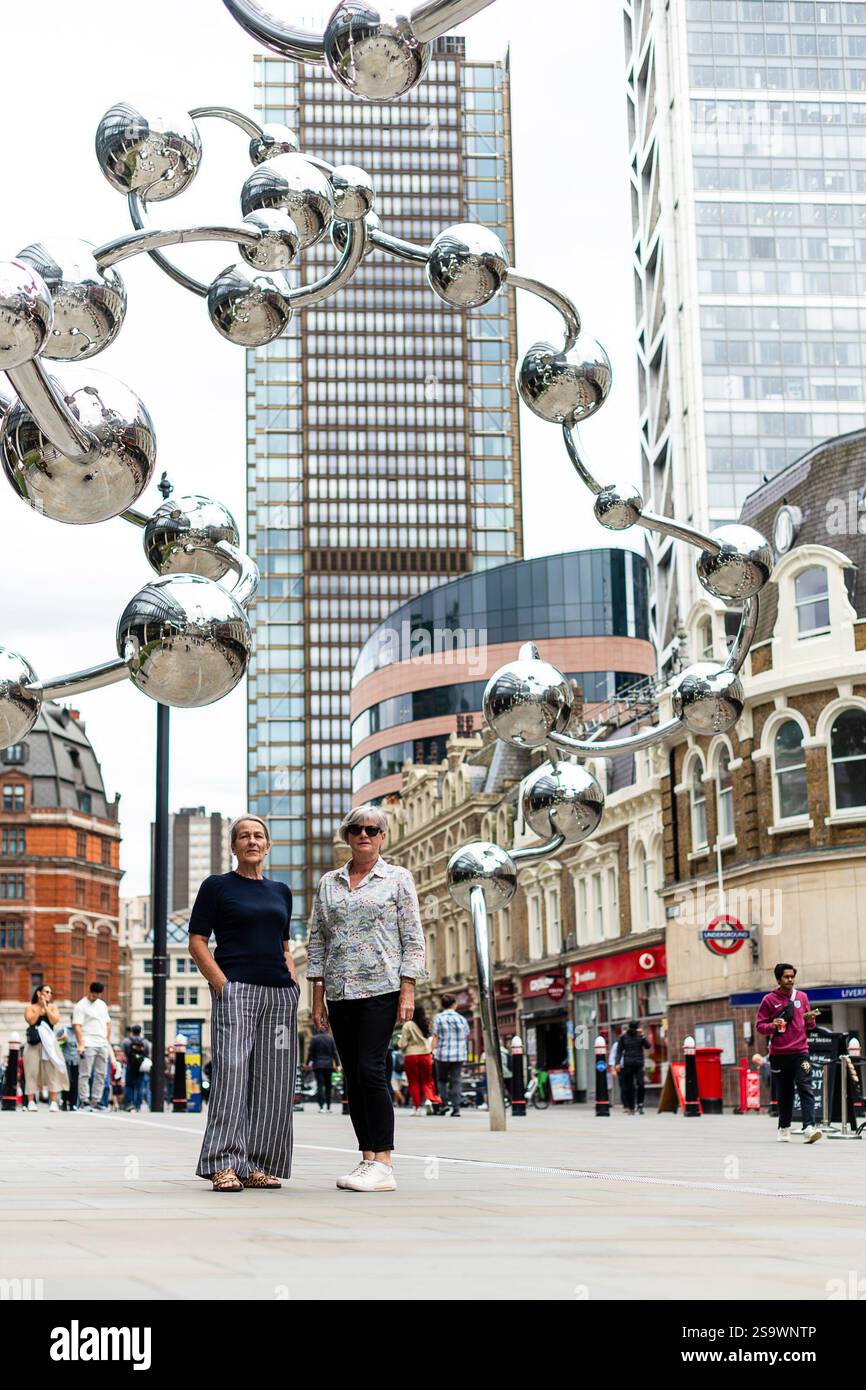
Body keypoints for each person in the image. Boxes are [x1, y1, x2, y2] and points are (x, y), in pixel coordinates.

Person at [308, 804, 426, 1193]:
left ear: (382, 837)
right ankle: (367, 1158)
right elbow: (318, 939)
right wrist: (317, 994)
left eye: (373, 830)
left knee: (371, 1070)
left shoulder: (397, 878)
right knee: (352, 1075)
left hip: (382, 986)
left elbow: (413, 935)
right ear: (347, 836)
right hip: (340, 991)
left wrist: (408, 987)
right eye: (357, 829)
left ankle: (385, 1161)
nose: (365, 835)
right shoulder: (330, 883)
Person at [189, 814, 299, 1192]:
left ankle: (257, 1164)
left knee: (274, 1081)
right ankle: (222, 1163)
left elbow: (285, 946)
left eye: (259, 836)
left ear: (268, 845)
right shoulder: (217, 886)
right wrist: (221, 985)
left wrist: (294, 983)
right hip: (237, 990)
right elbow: (197, 941)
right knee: (232, 1074)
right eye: (244, 836)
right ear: (234, 846)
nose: (252, 841)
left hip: (280, 998)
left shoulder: (281, 891)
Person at [756, 962, 822, 1143]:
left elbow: (809, 1026)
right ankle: (784, 1127)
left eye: (792, 976)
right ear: (778, 979)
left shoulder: (802, 997)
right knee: (784, 1092)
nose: (790, 979)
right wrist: (773, 1025)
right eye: (786, 977)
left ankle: (809, 1127)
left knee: (805, 1086)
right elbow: (760, 1027)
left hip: (801, 1051)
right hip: (779, 1053)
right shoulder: (769, 1000)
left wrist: (810, 1019)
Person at [23, 986, 67, 1112]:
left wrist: (46, 1008)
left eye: (50, 992)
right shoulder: (30, 1008)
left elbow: (54, 1020)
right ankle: (31, 1101)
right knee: (31, 1071)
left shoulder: (53, 1007)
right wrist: (39, 1008)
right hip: (34, 1043)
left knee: (52, 1070)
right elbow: (31, 1021)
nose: (49, 994)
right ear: (39, 993)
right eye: (46, 992)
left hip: (49, 1044)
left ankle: (53, 1102)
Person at [73, 981, 114, 1111]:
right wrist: (81, 1044)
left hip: (102, 1043)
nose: (95, 997)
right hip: (88, 1043)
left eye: (98, 995)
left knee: (101, 1074)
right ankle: (84, 1101)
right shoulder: (81, 1006)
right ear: (89, 991)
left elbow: (107, 1024)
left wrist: (106, 1040)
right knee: (85, 1074)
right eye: (93, 995)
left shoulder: (102, 1005)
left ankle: (96, 1100)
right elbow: (77, 1026)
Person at [432, 994, 470, 1117]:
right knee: (456, 1081)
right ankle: (456, 1108)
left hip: (442, 1054)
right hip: (458, 1054)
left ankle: (444, 1104)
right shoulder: (461, 1019)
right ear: (454, 1004)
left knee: (442, 1080)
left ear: (442, 1005)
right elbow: (466, 1035)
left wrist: (432, 1051)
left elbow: (435, 1037)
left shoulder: (438, 1018)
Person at [399, 1005, 440, 1114]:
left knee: (414, 1082)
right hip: (426, 1055)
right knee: (427, 1080)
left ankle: (416, 1108)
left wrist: (400, 1045)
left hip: (411, 1055)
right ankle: (428, 1100)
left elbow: (403, 1043)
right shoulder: (426, 1024)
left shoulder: (408, 1025)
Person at [611, 1021, 650, 1115]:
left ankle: (640, 1104)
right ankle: (631, 1107)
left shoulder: (640, 1036)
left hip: (639, 1064)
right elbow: (619, 1051)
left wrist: (643, 1036)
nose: (634, 1031)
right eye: (633, 1029)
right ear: (630, 1028)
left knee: (640, 1084)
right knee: (629, 1087)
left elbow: (648, 1046)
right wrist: (617, 1063)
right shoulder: (623, 1037)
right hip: (628, 1064)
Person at [306, 1026, 338, 1112]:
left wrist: (307, 1064)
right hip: (328, 1065)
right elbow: (334, 1052)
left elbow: (310, 1053)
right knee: (328, 1086)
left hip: (318, 1065)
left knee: (320, 1085)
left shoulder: (314, 1039)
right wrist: (337, 1065)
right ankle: (328, 1106)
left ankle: (321, 1107)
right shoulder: (330, 1039)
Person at [122, 1026, 151, 1112]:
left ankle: (129, 1104)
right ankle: (137, 1105)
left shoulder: (126, 1041)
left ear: (132, 1031)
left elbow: (125, 1053)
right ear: (140, 1031)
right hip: (141, 1067)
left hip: (130, 1066)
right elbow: (147, 1054)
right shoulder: (145, 1042)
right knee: (140, 1086)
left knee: (129, 1086)